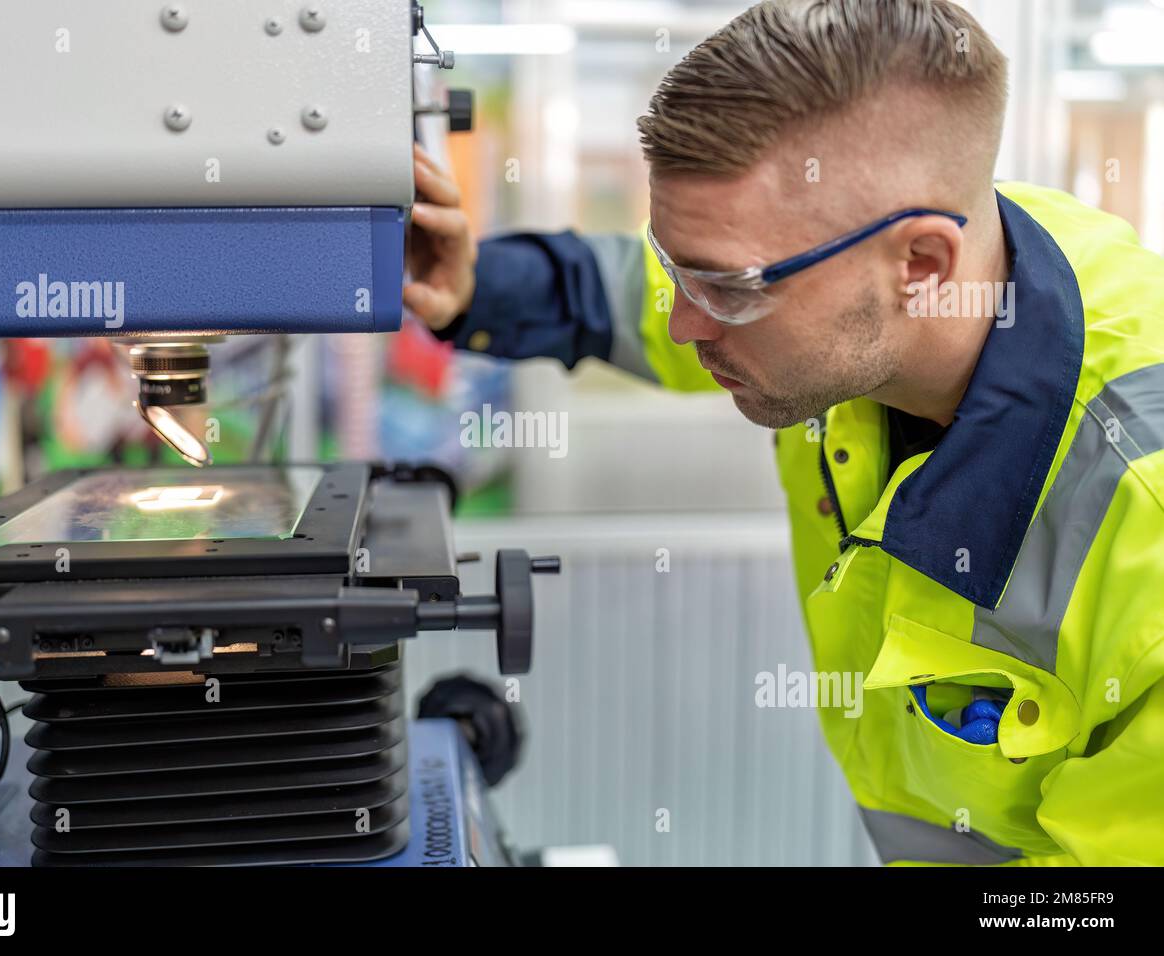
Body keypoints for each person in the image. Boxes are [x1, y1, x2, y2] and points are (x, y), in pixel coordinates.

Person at [405, 0, 1164, 866]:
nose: (687, 324)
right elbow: (642, 303)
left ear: (922, 266)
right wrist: (473, 287)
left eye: (727, 290)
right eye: (676, 270)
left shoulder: (1141, 543)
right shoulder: (928, 261)